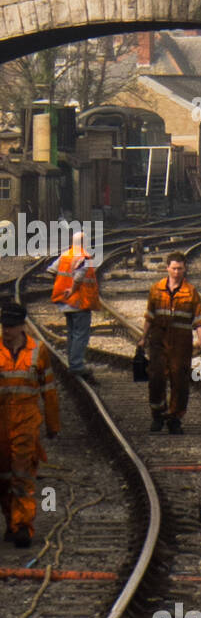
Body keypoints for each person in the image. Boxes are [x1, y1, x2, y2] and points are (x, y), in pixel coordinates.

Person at [0, 303, 59, 550]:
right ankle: (11, 522)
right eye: (5, 326)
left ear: (22, 326)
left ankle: (23, 525)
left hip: (26, 421)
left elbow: (49, 390)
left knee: (22, 473)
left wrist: (52, 424)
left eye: (12, 326)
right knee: (3, 476)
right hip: (1, 421)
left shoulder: (38, 351)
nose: (8, 331)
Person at [138, 253, 201, 435]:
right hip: (158, 338)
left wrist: (200, 339)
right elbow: (149, 316)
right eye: (174, 268)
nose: (177, 272)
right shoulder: (156, 289)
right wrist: (143, 337)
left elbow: (198, 318)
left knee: (179, 379)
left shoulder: (191, 292)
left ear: (185, 269)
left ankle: (175, 418)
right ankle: (158, 415)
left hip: (181, 341)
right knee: (156, 377)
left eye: (180, 268)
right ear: (167, 268)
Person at [47, 229, 102, 384]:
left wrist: (61, 284)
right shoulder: (83, 257)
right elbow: (78, 277)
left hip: (65, 303)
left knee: (72, 333)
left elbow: (51, 270)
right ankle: (76, 365)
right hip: (79, 302)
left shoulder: (65, 255)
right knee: (80, 334)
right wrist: (72, 289)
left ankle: (73, 362)